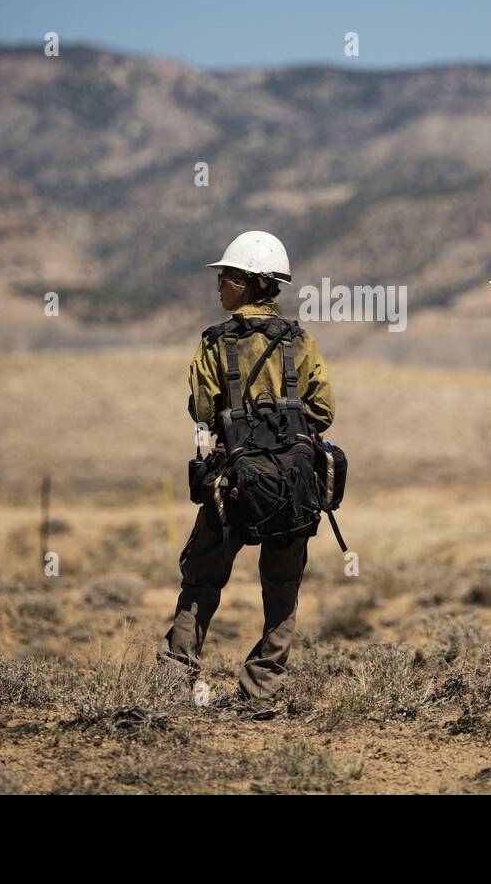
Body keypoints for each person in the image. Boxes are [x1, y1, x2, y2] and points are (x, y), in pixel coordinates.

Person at [163, 231, 334, 711]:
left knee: (201, 579)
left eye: (227, 276)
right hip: (291, 483)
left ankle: (175, 678)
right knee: (282, 588)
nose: (219, 285)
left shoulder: (214, 345)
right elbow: (324, 411)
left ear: (249, 283)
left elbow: (200, 409)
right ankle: (261, 691)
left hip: (231, 482)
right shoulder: (303, 342)